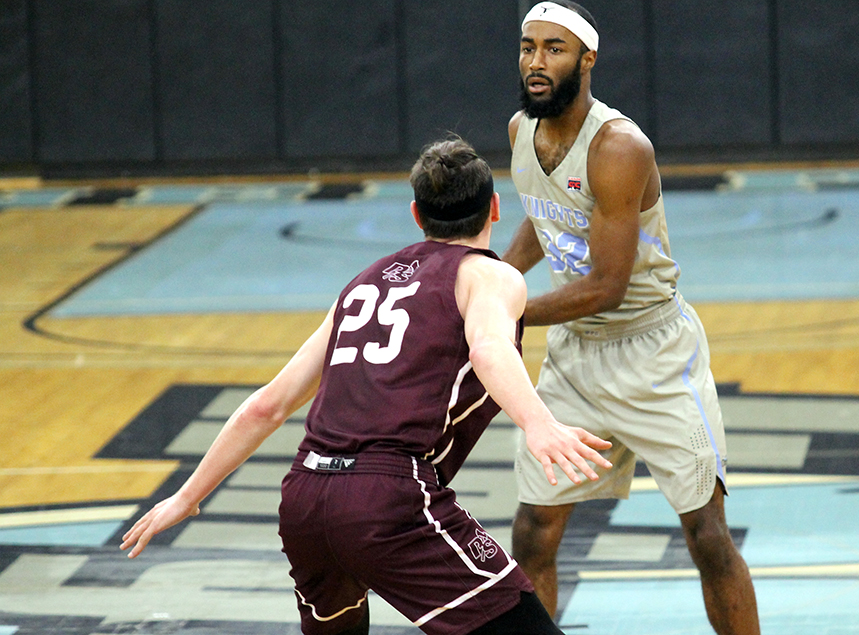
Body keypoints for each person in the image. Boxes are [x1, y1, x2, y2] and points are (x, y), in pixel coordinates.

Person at [120, 136, 614, 635]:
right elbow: (488, 347)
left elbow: (267, 407)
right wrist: (539, 423)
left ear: (418, 216)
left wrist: (188, 495)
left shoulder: (364, 282)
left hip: (305, 499)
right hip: (389, 497)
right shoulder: (490, 275)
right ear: (495, 208)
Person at [502, 3, 761, 634]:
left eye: (554, 49)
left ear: (587, 59)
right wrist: (496, 281)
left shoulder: (619, 147)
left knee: (705, 534)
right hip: (575, 357)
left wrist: (506, 315)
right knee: (533, 533)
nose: (537, 62)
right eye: (528, 47)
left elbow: (608, 287)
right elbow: (545, 217)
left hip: (653, 354)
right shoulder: (520, 131)